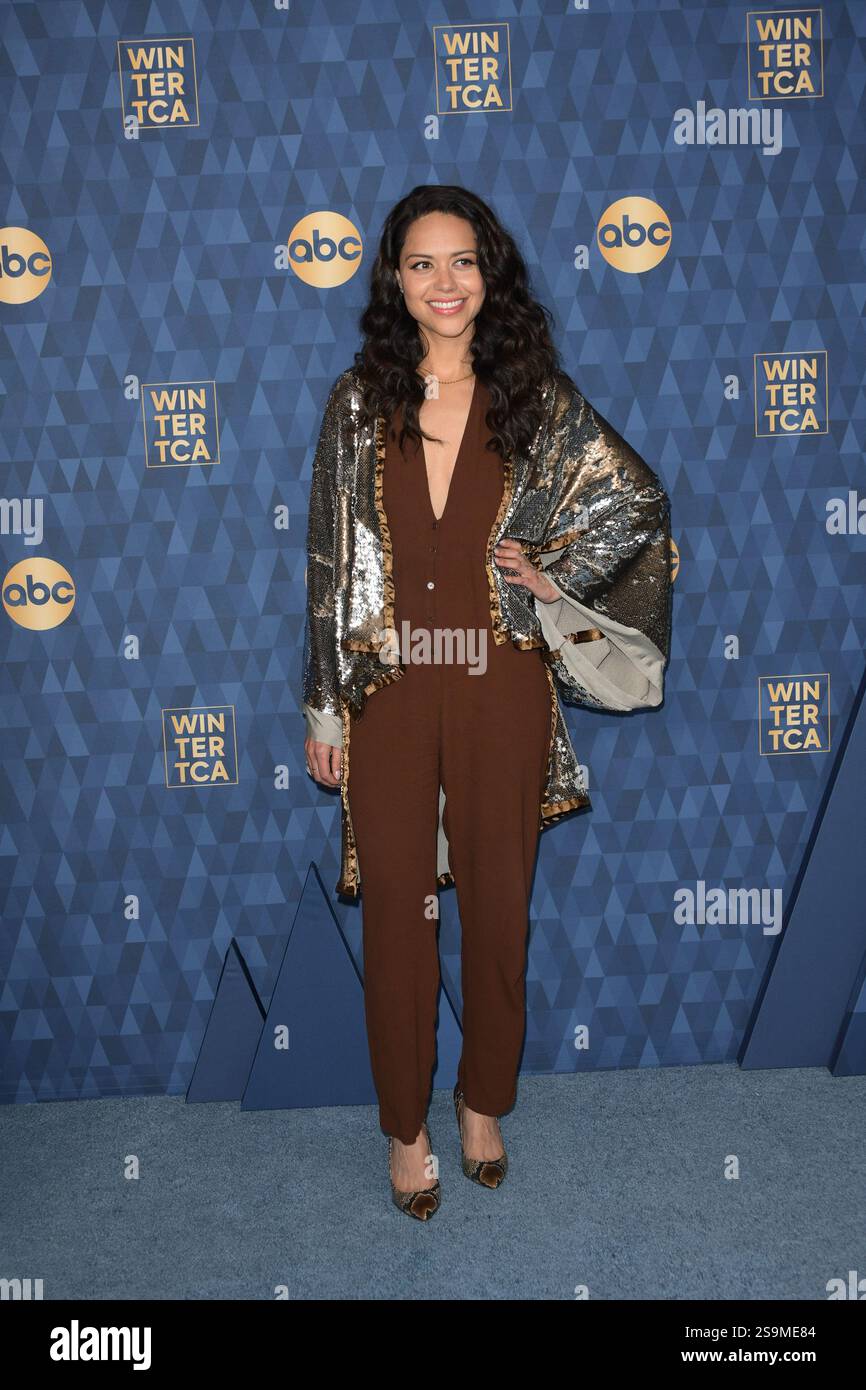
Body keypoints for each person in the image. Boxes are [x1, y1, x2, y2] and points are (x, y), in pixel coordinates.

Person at [301, 185, 672, 1220]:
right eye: (421, 263)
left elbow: (636, 502)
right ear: (394, 281)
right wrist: (323, 706)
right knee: (400, 922)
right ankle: (405, 1125)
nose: (444, 282)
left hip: (498, 686)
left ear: (488, 272)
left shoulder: (535, 398)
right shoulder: (356, 401)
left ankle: (481, 1101)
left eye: (462, 260)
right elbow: (329, 563)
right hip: (386, 693)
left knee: (498, 914)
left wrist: (552, 575)